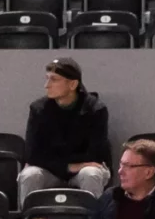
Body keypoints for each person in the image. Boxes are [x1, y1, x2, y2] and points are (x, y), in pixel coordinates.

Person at [19, 58, 111, 201]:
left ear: (73, 84)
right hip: (50, 171)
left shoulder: (95, 109)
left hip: (82, 170)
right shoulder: (38, 109)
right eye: (47, 79)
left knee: (91, 173)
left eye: (54, 80)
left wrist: (55, 160)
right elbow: (31, 154)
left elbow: (95, 154)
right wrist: (68, 166)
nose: (46, 85)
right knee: (29, 175)